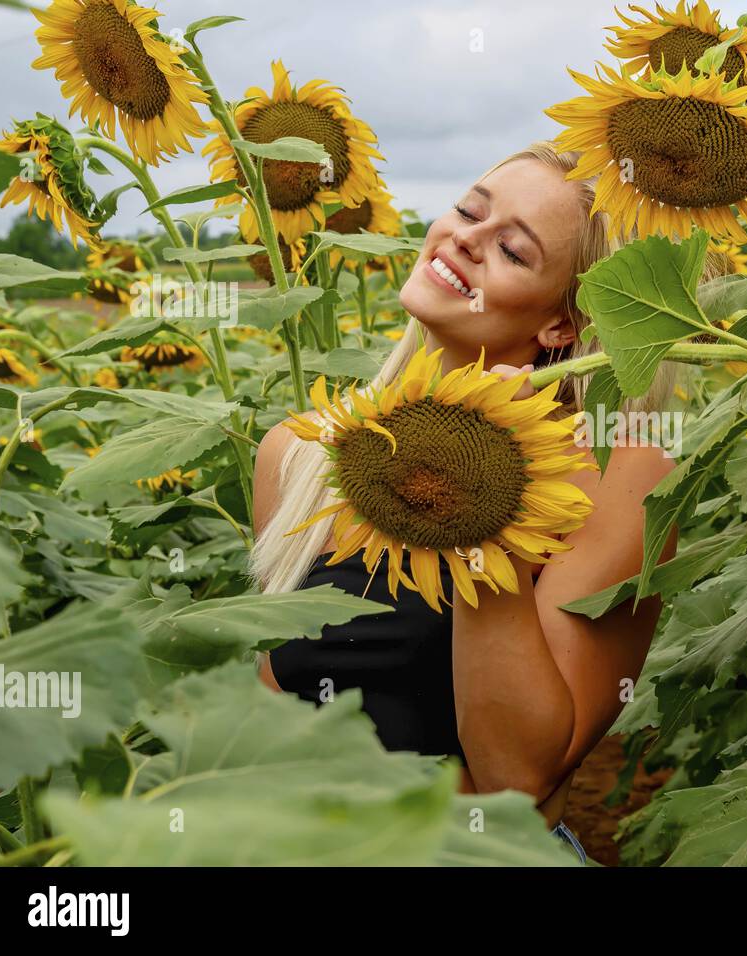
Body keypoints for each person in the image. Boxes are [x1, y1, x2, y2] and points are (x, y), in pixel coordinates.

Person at [248, 142, 683, 864]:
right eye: (467, 211)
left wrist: (490, 493)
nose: (466, 239)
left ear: (561, 327)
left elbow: (517, 779)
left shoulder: (619, 471)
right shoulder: (299, 454)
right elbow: (273, 703)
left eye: (512, 250)